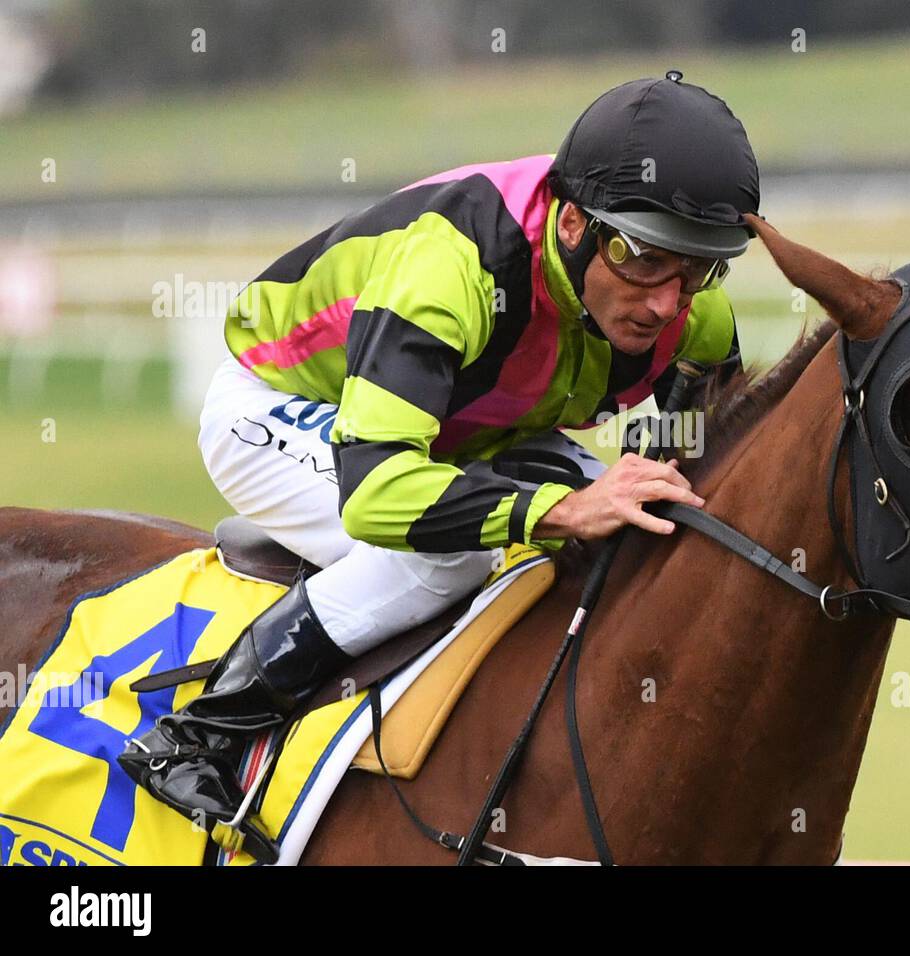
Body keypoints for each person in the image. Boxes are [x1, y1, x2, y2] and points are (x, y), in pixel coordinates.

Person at [119, 71, 761, 835]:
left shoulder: (691, 306)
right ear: (571, 226)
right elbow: (379, 493)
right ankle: (204, 730)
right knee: (447, 556)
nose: (666, 300)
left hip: (468, 433)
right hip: (288, 407)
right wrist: (559, 507)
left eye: (697, 267)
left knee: (648, 527)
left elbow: (698, 452)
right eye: (640, 258)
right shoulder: (452, 265)